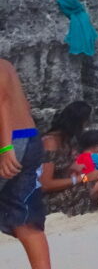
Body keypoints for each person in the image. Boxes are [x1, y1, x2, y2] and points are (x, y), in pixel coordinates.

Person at [0, 58, 51, 269]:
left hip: (10, 143)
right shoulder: (6, 64)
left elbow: (1, 100)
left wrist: (5, 148)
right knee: (24, 218)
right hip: (29, 137)